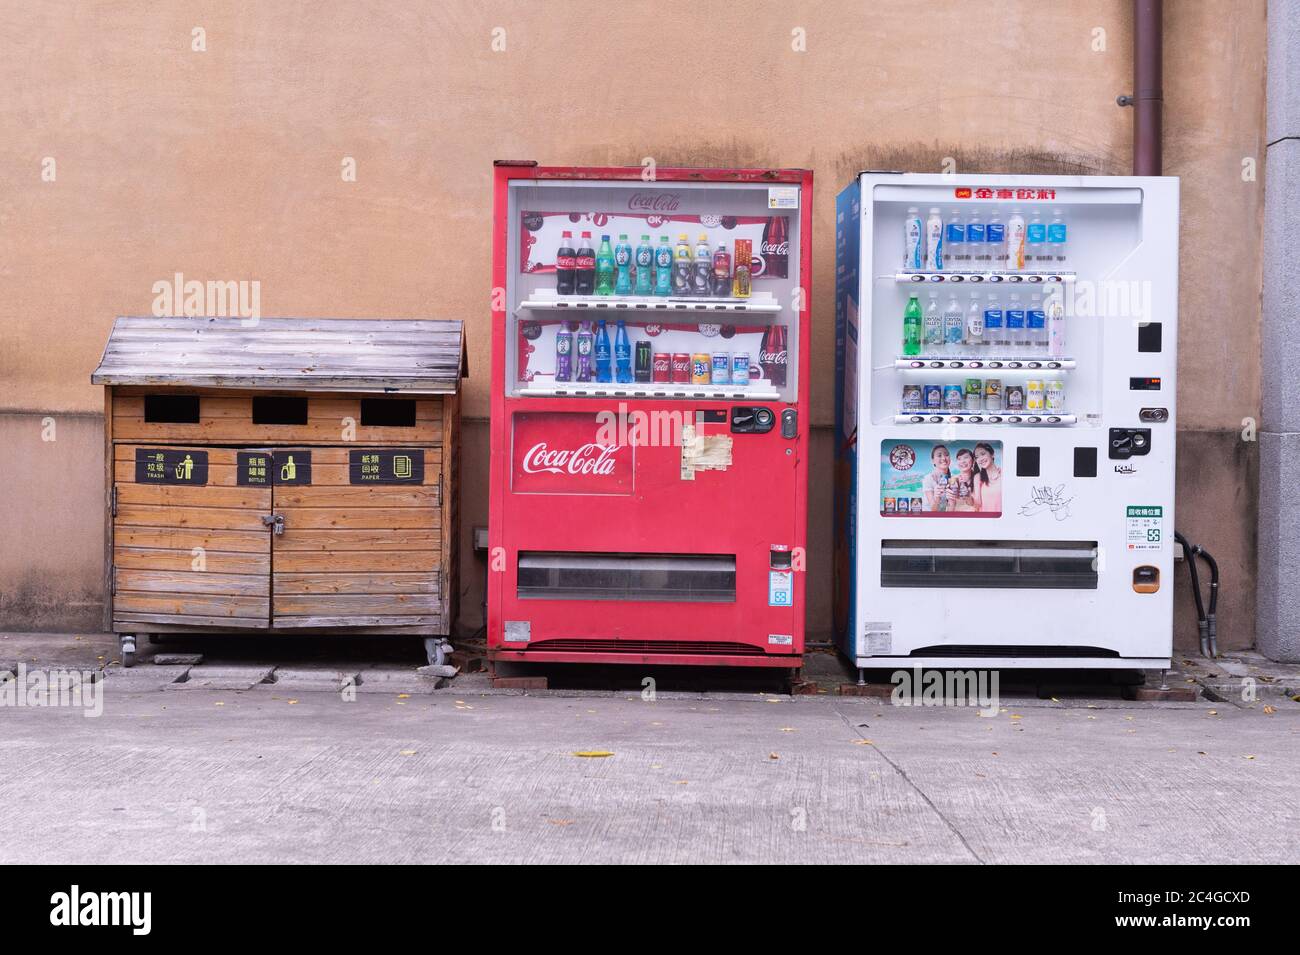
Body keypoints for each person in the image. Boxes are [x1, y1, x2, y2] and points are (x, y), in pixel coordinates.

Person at [972, 441, 1002, 514]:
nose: (980, 459)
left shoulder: (1004, 474)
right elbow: (977, 504)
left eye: (983, 454)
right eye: (977, 457)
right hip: (986, 521)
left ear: (992, 454)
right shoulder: (978, 477)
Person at [921, 444, 952, 512]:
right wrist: (936, 497)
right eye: (939, 455)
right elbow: (933, 509)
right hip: (929, 519)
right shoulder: (928, 479)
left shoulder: (952, 479)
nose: (943, 458)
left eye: (946, 455)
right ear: (933, 461)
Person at [947, 447, 978, 512]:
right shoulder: (954, 480)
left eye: (966, 457)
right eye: (959, 459)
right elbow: (950, 507)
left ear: (973, 460)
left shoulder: (978, 478)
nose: (962, 461)